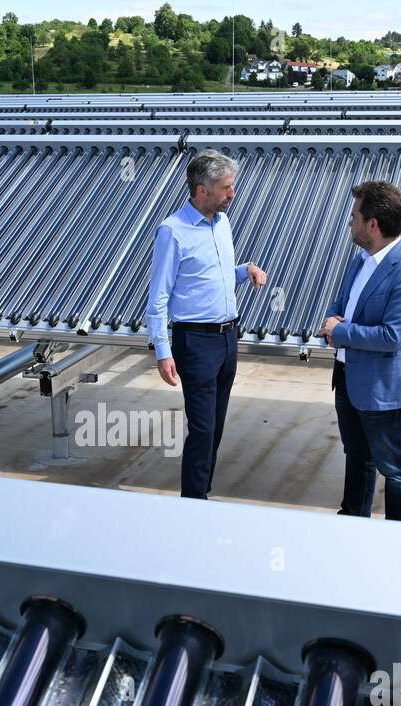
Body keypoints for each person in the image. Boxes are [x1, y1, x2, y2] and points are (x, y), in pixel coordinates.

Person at [144, 150, 267, 500]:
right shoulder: (173, 231)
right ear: (202, 189)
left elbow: (212, 278)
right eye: (226, 188)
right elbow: (159, 298)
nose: (232, 194)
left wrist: (246, 272)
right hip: (195, 342)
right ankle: (193, 503)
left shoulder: (222, 223)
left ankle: (203, 493)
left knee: (215, 427)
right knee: (201, 429)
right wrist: (162, 351)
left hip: (228, 338)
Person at [319, 181, 401, 522]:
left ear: (373, 225)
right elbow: (344, 302)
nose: (349, 222)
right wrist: (334, 319)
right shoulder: (361, 259)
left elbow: (392, 336)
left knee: (396, 469)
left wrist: (340, 332)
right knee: (357, 456)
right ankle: (353, 520)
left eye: (354, 216)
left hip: (385, 391)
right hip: (348, 378)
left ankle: (398, 539)